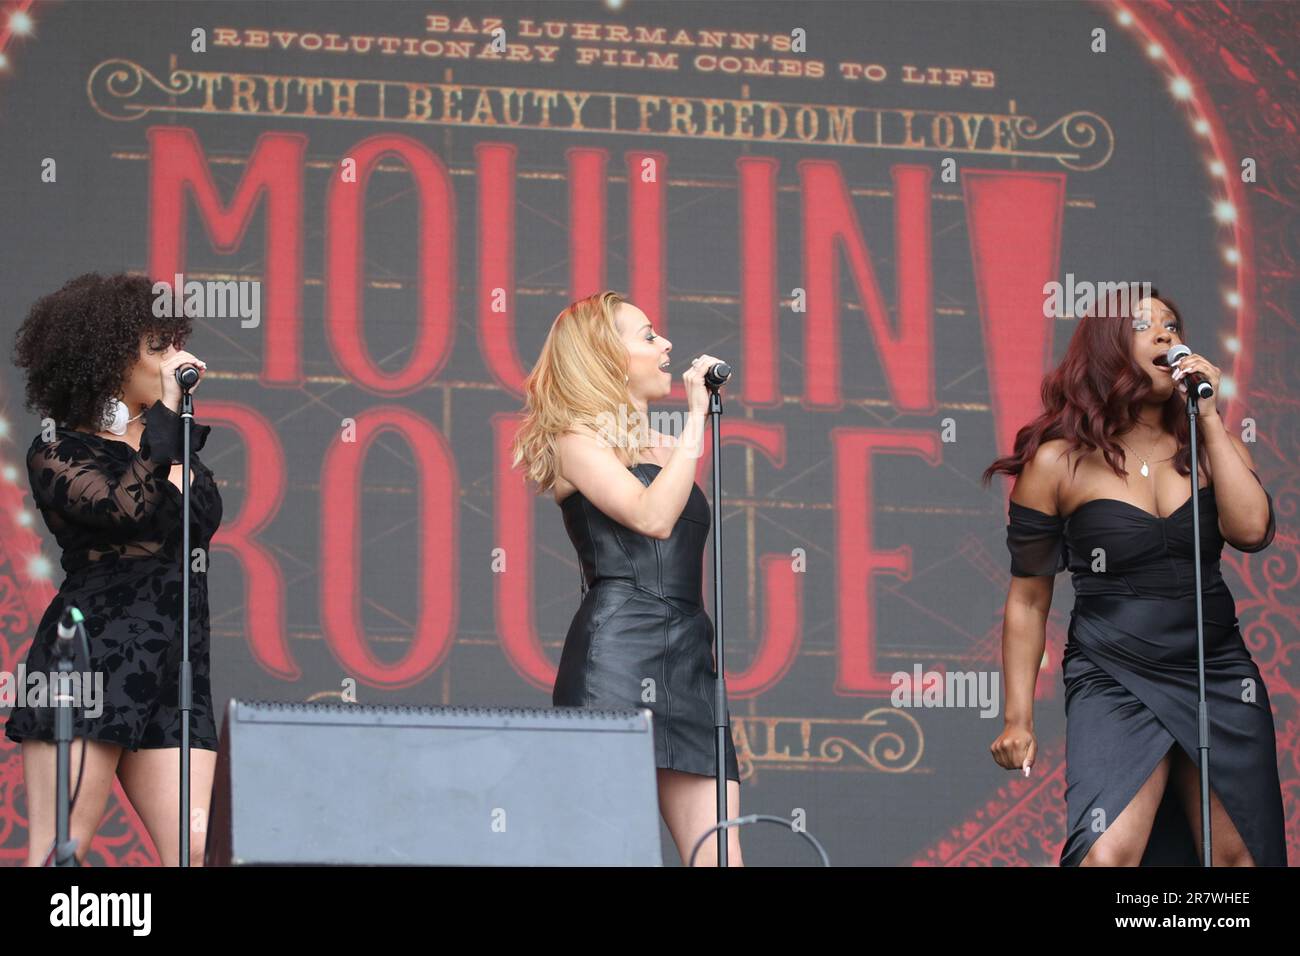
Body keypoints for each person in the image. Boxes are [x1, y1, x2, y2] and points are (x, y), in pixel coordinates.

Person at [985, 290, 1284, 866]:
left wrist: (1211, 418)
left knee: (1237, 860)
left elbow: (1250, 530)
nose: (1169, 337)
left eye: (1175, 326)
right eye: (1148, 327)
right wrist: (1017, 717)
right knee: (1107, 856)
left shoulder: (1205, 444)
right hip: (1112, 672)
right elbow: (1028, 599)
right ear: (1106, 347)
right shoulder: (1058, 462)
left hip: (1214, 669)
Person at [512, 290, 743, 866]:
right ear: (604, 356)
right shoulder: (576, 443)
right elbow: (651, 518)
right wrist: (696, 417)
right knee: (609, 852)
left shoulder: (669, 448)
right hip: (617, 657)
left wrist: (683, 436)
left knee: (722, 858)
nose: (666, 344)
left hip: (691, 655)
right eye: (647, 336)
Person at [5, 272, 222, 866]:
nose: (174, 358)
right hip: (92, 659)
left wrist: (169, 433)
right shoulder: (60, 450)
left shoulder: (173, 445)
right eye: (157, 347)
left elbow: (196, 518)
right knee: (61, 848)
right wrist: (163, 429)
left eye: (174, 342)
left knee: (198, 848)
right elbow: (123, 508)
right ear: (106, 359)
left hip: (177, 667)